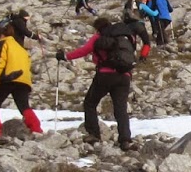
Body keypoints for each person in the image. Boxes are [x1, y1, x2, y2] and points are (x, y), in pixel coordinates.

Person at [58, 12, 151, 150]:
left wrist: (65, 56)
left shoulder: (99, 37)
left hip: (105, 75)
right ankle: (125, 140)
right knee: (121, 108)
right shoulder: (126, 37)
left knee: (90, 103)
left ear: (97, 28)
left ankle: (94, 134)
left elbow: (84, 51)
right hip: (124, 75)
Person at [0, 20, 43, 136]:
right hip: (23, 80)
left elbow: (0, 63)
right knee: (24, 106)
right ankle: (36, 128)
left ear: (0, 33)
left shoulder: (2, 44)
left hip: (7, 78)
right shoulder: (20, 47)